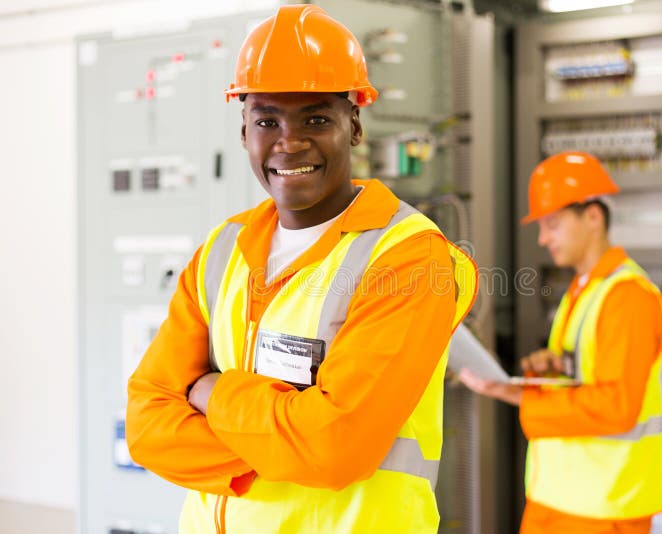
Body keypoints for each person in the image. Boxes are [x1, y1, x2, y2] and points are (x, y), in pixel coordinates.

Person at [126, 5, 477, 533]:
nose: (289, 141)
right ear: (244, 131)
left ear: (354, 126)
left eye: (316, 118)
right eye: (266, 119)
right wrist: (284, 443)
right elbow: (147, 425)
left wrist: (210, 393)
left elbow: (335, 448)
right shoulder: (221, 250)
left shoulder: (407, 258)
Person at [460, 151, 662, 534]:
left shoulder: (627, 297)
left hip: (609, 507)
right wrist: (553, 371)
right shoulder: (582, 292)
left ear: (593, 216)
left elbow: (616, 408)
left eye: (553, 224)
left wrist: (523, 397)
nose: (544, 238)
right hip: (566, 501)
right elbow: (590, 376)